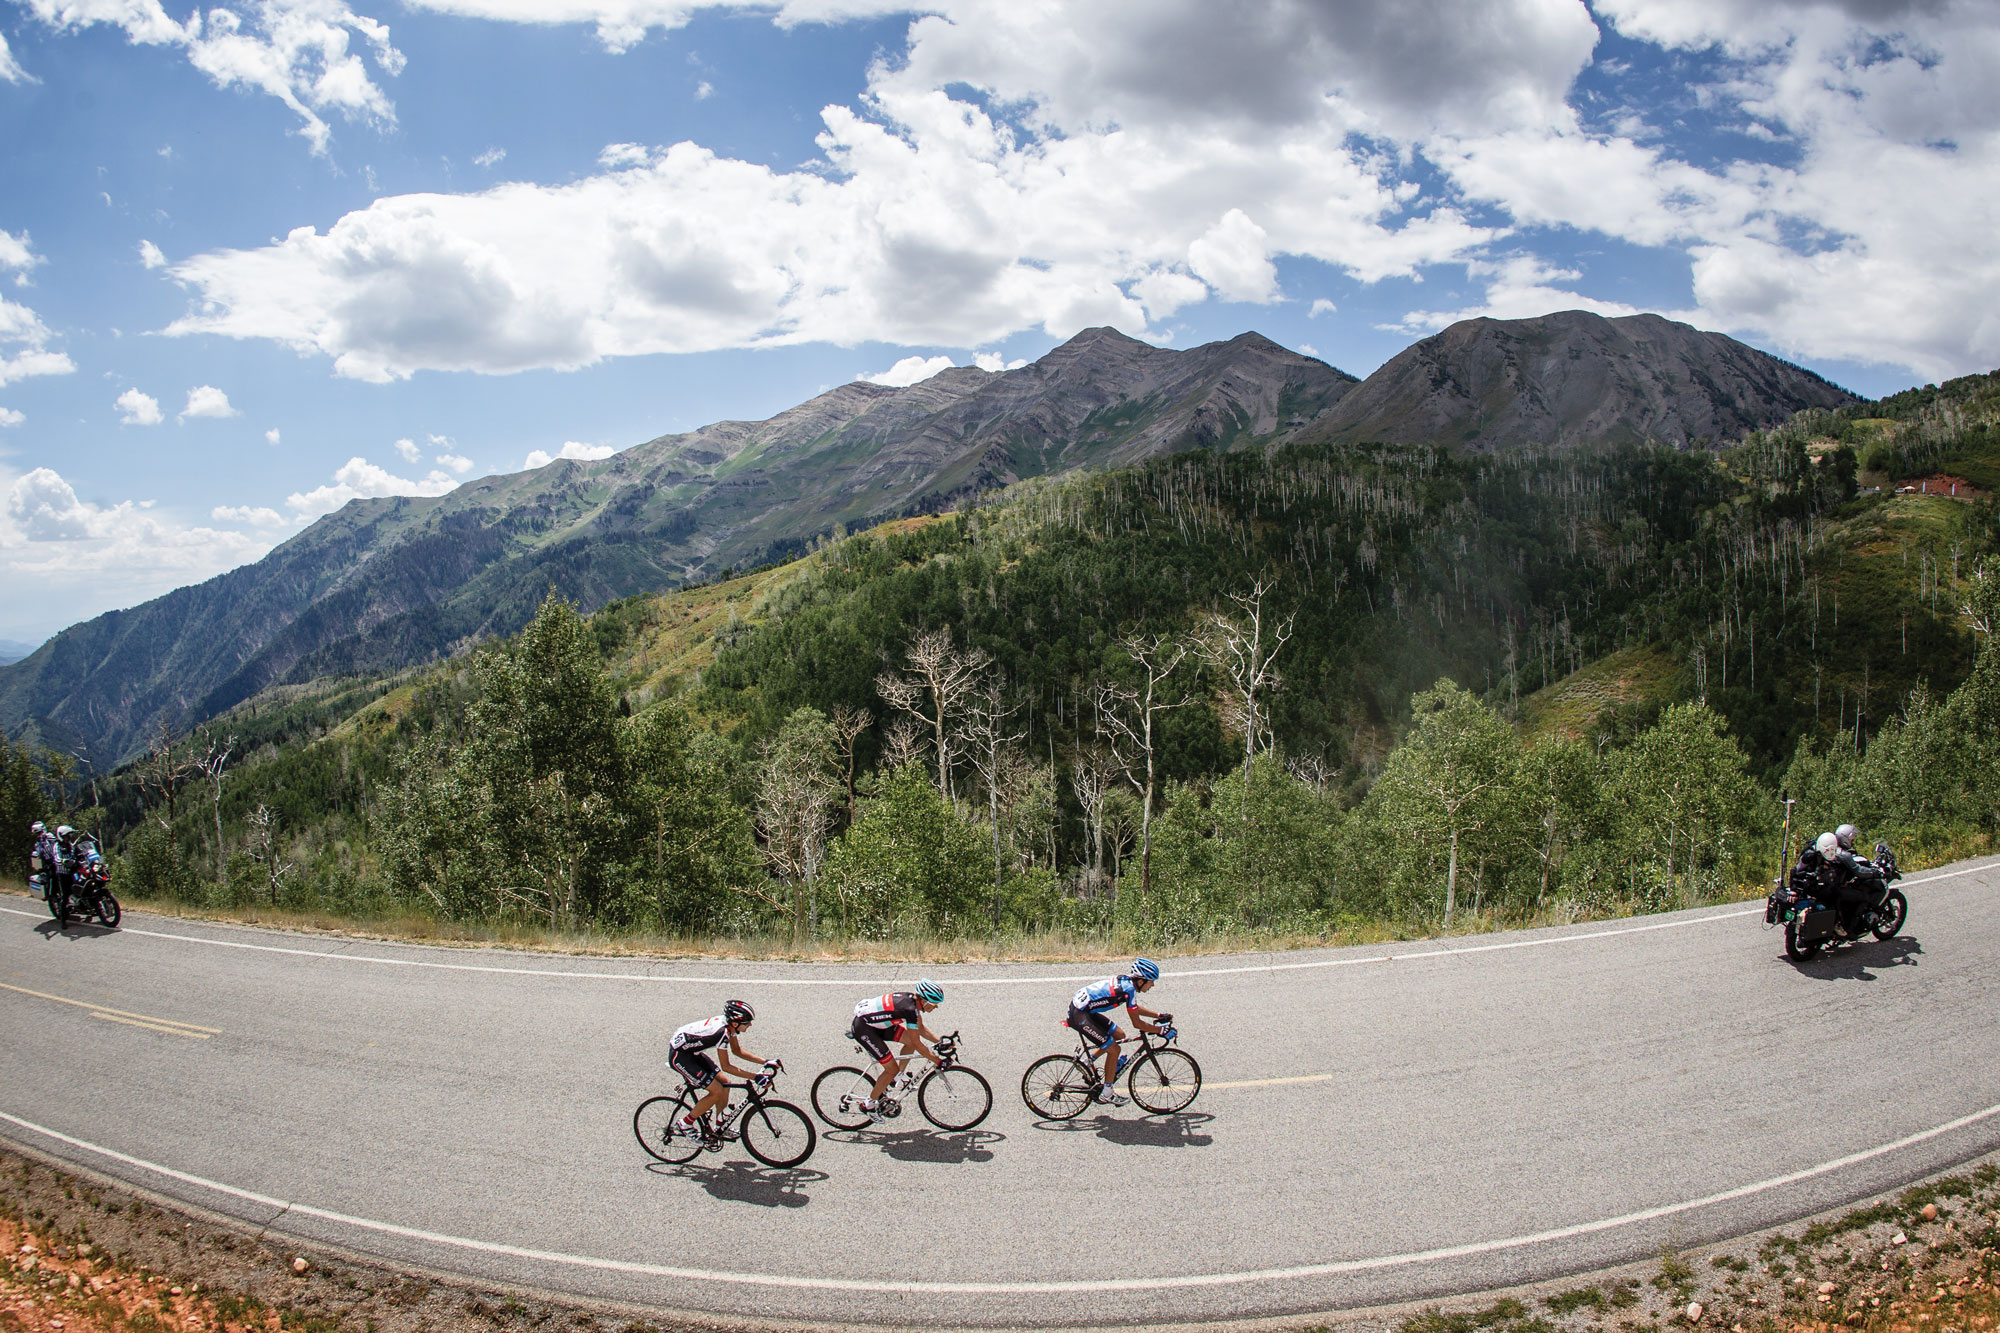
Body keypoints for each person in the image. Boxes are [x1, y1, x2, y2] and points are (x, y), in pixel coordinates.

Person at [1068, 958, 1170, 1107]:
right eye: (1151, 981)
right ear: (1141, 981)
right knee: (1114, 1050)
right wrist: (1161, 1030)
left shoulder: (1128, 984)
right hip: (1080, 1015)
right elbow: (1137, 1023)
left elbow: (1134, 1007)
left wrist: (1158, 1015)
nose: (1153, 985)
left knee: (1119, 1036)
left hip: (1085, 1010)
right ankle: (1107, 1093)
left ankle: (1087, 1062)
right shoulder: (1129, 989)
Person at [667, 999, 772, 1143]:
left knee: (725, 1083)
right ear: (735, 1023)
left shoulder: (730, 1027)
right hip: (680, 1056)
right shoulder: (722, 1033)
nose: (750, 1025)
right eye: (747, 1023)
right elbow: (726, 1066)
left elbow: (737, 1051)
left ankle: (719, 1126)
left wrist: (765, 1061)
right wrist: (756, 1077)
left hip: (691, 1052)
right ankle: (685, 1124)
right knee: (716, 1091)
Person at [848, 979, 945, 1121]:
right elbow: (918, 1044)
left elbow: (921, 1030)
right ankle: (867, 1104)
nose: (935, 1007)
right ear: (924, 1001)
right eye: (934, 1004)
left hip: (877, 1024)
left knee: (910, 1042)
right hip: (865, 1029)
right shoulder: (909, 1010)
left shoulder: (912, 1002)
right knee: (891, 1068)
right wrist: (938, 1061)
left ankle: (897, 1076)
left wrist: (941, 1042)